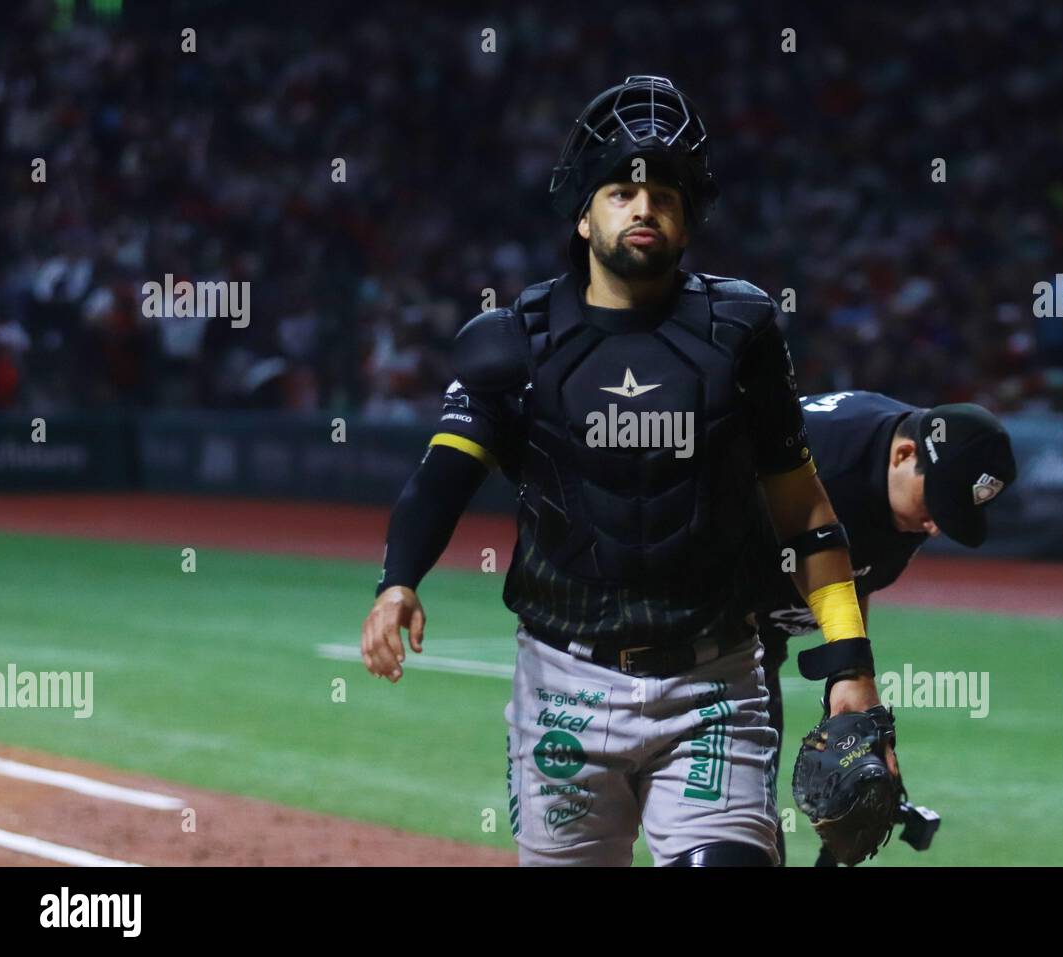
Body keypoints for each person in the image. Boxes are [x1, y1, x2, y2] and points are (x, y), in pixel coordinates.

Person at [360, 76, 882, 866]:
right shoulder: (514, 341)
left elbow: (807, 512)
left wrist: (849, 668)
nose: (644, 207)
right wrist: (398, 580)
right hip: (564, 686)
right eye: (621, 190)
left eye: (664, 195)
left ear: (687, 220)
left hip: (715, 685)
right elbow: (443, 475)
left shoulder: (741, 334)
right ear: (583, 213)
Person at [751, 389, 1017, 864]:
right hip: (679, 632)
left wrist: (852, 687)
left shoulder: (906, 501)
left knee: (755, 836)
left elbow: (857, 576)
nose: (935, 525)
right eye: (936, 502)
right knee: (740, 833)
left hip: (755, 646)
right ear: (904, 454)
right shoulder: (819, 459)